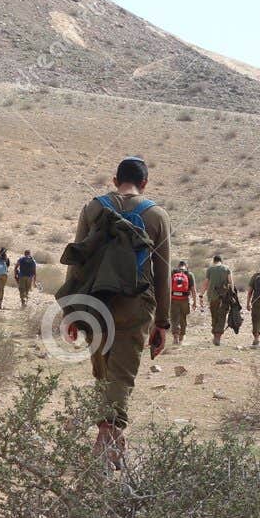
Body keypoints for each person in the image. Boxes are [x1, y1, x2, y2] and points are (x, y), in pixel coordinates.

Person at [59, 157, 171, 467]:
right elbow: (163, 272)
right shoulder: (156, 214)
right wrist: (162, 322)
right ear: (145, 183)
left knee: (104, 371)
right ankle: (106, 440)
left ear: (114, 179)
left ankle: (110, 440)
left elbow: (77, 260)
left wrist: (71, 310)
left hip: (96, 300)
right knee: (121, 375)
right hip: (136, 303)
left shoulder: (93, 208)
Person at [206, 255, 234, 346]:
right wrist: (232, 294)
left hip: (212, 297)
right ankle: (217, 336)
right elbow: (231, 282)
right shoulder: (227, 269)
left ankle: (215, 335)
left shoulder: (210, 269)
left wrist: (201, 295)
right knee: (222, 316)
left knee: (214, 316)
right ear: (221, 261)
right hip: (224, 297)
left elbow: (206, 283)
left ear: (214, 261)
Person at [168, 259, 195, 345]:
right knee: (183, 318)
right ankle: (181, 338)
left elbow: (167, 286)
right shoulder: (189, 274)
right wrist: (195, 301)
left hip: (173, 299)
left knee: (174, 318)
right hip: (184, 299)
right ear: (186, 266)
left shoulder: (173, 273)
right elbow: (193, 290)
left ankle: (175, 337)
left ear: (178, 266)